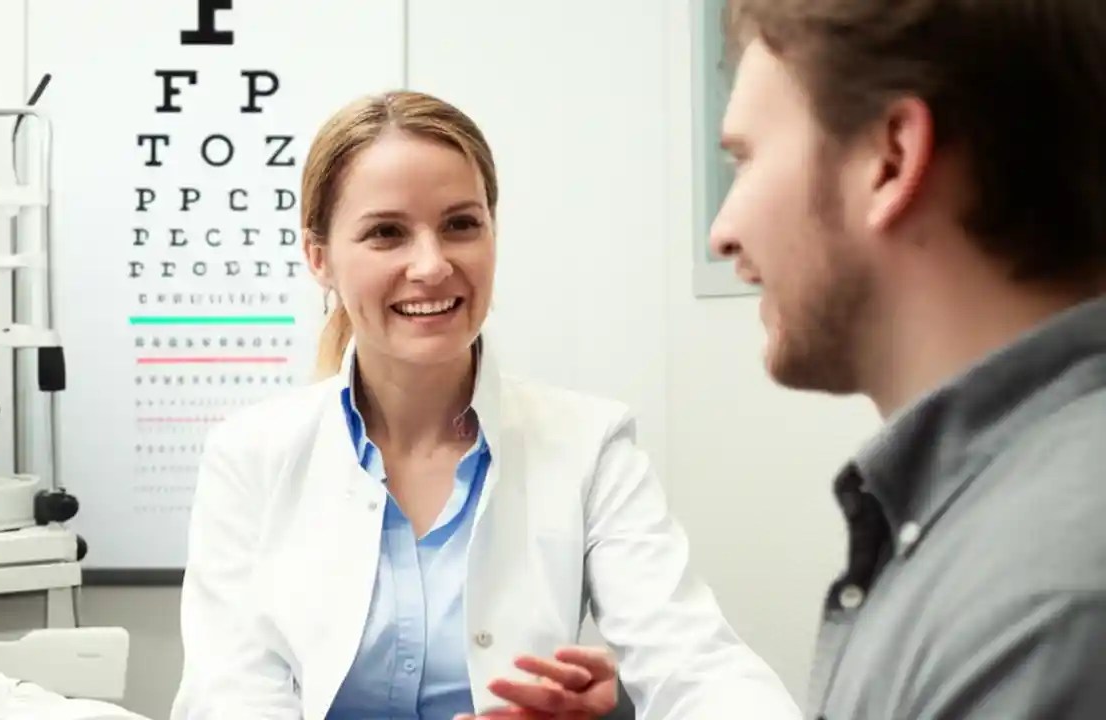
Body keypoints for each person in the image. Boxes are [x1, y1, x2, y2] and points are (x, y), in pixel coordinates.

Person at [169, 90, 800, 719]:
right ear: (319, 258)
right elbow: (230, 695)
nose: (432, 264)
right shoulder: (251, 454)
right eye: (386, 233)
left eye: (460, 225)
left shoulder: (588, 443)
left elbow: (694, 661)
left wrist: (620, 708)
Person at [711, 0, 1106, 718]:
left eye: (744, 158)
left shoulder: (1041, 609)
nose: (723, 232)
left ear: (890, 159)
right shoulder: (976, 529)